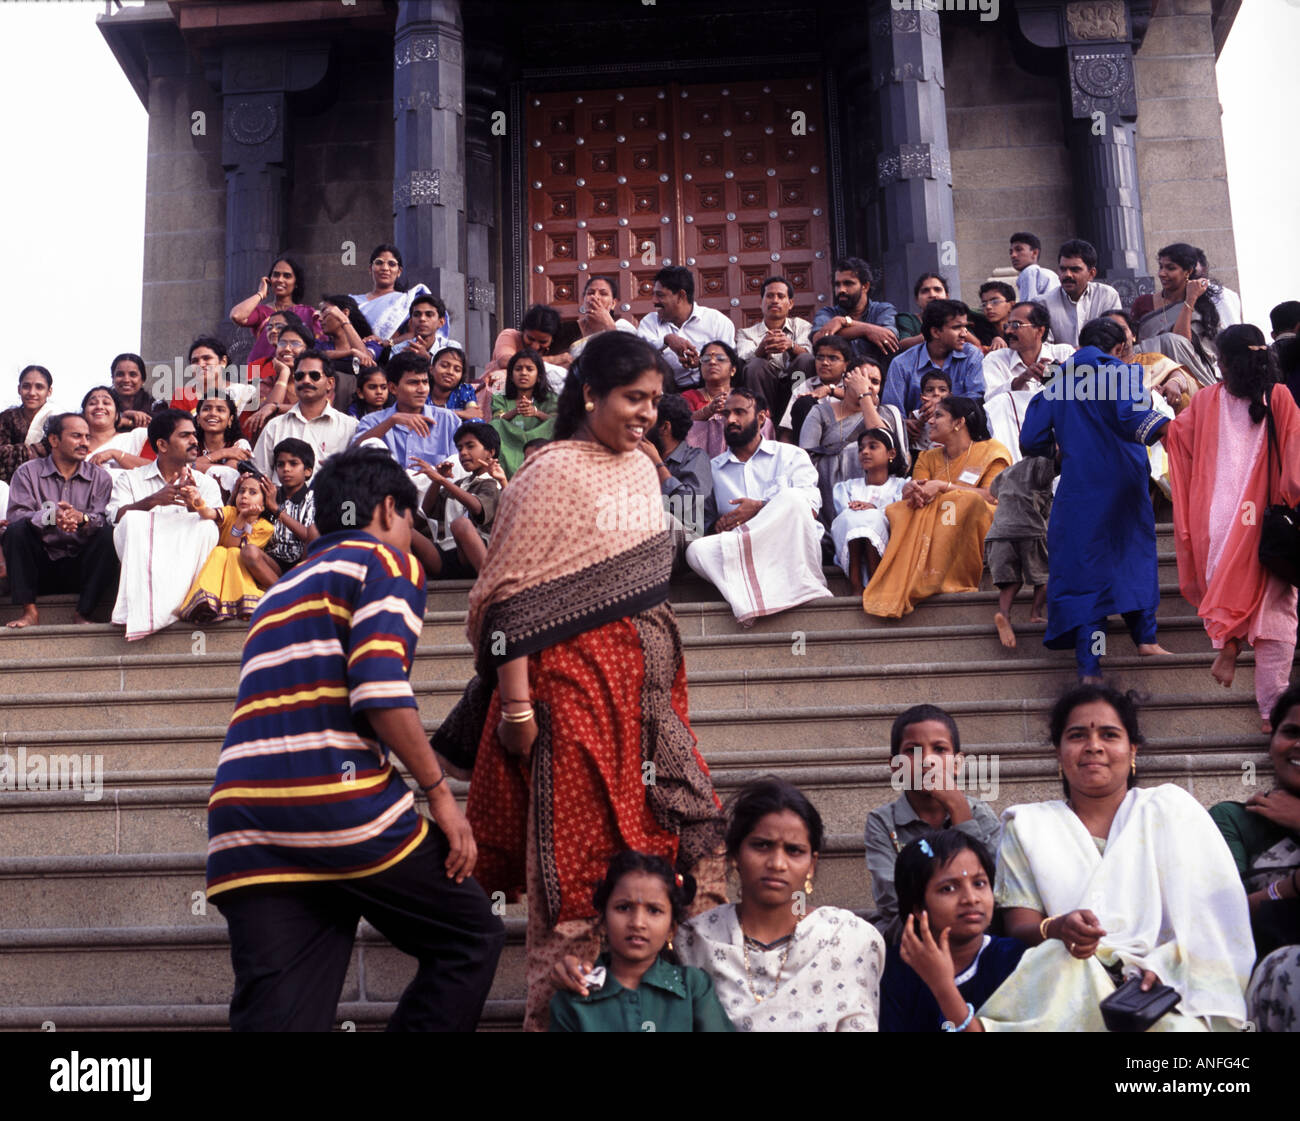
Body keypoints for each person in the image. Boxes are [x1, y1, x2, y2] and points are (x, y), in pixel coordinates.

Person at [440, 331, 726, 1032]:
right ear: (591, 394)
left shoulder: (639, 470)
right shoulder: (547, 472)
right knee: (578, 855)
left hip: (648, 697)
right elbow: (512, 598)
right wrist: (515, 710)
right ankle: (562, 1010)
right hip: (568, 693)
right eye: (633, 398)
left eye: (655, 401)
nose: (646, 414)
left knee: (686, 831)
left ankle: (661, 1005)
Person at [206, 445, 504, 1030]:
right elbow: (377, 686)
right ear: (390, 509)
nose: (411, 538)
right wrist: (439, 793)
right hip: (340, 807)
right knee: (468, 938)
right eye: (411, 523)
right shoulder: (383, 562)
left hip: (244, 825)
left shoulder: (282, 592)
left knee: (280, 1017)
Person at [979, 685, 1253, 1031]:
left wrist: (1167, 965)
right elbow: (1019, 925)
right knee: (1056, 960)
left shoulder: (1171, 810)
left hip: (1162, 989)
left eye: (1109, 734)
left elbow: (1214, 920)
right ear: (1059, 753)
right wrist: (1058, 928)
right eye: (1077, 735)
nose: (1093, 746)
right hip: (1070, 978)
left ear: (1132, 749)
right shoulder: (1029, 825)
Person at [1019, 317, 1172, 680]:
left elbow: (1031, 440)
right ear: (1118, 348)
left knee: (1088, 583)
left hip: (1079, 490)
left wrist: (1062, 449)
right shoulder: (1121, 373)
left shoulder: (1057, 380)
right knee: (1132, 564)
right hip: (1123, 486)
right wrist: (1172, 429)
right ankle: (1145, 640)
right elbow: (1132, 418)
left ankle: (1092, 664)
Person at [1167, 324, 1300, 729]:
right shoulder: (1279, 397)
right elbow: (1295, 469)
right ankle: (1270, 711)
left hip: (1217, 522)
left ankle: (1229, 644)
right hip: (1264, 521)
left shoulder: (1206, 400)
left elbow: (1177, 436)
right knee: (1276, 611)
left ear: (1225, 361)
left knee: (1232, 591)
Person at [671, 779, 885, 1030]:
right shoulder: (695, 940)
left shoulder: (849, 939)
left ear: (811, 864)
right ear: (735, 855)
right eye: (762, 845)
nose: (777, 863)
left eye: (794, 851)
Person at [685, 388, 832, 625]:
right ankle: (749, 600)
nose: (731, 419)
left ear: (761, 418)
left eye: (740, 412)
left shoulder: (791, 455)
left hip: (789, 546)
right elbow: (708, 523)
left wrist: (761, 508)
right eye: (726, 414)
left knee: (794, 497)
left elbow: (809, 508)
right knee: (696, 551)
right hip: (745, 550)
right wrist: (719, 526)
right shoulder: (712, 468)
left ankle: (768, 594)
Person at [548, 851, 734, 1033]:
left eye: (654, 910)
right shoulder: (575, 996)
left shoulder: (692, 987)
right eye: (623, 907)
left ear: (672, 928)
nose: (637, 923)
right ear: (603, 921)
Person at [865, 705, 1001, 943]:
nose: (927, 760)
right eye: (913, 751)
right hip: (911, 931)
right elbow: (891, 898)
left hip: (974, 926)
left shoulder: (978, 814)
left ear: (957, 765)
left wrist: (959, 810)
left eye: (939, 749)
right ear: (896, 765)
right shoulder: (882, 822)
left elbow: (995, 885)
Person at [864, 398, 1010, 619]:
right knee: (899, 509)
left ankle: (942, 579)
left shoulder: (992, 450)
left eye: (938, 416)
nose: (930, 421)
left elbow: (991, 496)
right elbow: (919, 493)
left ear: (958, 423)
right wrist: (911, 491)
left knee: (964, 502)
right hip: (937, 517)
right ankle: (915, 578)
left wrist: (943, 486)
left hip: (980, 517)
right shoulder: (927, 456)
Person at [1213, 687, 1300, 1031]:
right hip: (1269, 981)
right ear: (1272, 740)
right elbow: (1216, 916)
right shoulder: (1234, 820)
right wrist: (1288, 889)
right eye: (1291, 732)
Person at [881, 833, 1025, 1032]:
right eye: (948, 888)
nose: (971, 898)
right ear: (916, 906)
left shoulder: (1014, 959)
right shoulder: (892, 969)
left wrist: (944, 988)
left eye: (979, 883)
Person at [107, 409, 222, 640]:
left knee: (206, 526)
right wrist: (153, 500)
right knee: (131, 520)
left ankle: (190, 603)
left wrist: (195, 505)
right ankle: (147, 610)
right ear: (162, 444)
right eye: (185, 435)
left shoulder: (206, 484)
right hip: (145, 555)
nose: (194, 441)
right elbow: (115, 518)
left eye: (194, 435)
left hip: (185, 555)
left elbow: (219, 521)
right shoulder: (130, 478)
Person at [3, 413, 118, 629]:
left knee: (109, 533)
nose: (84, 442)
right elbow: (16, 516)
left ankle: (83, 612)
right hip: (39, 567)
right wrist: (50, 517)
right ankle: (29, 612)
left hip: (81, 567)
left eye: (87, 437)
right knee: (16, 530)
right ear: (54, 440)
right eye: (76, 436)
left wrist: (82, 519)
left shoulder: (101, 477)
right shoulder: (27, 472)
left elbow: (103, 517)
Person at [799, 354, 889, 529]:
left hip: (872, 491)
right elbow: (805, 459)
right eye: (862, 378)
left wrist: (864, 397)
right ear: (846, 380)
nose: (868, 385)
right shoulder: (820, 412)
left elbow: (882, 442)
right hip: (828, 488)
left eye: (875, 382)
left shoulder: (885, 414)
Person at [981, 301, 1075, 463]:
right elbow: (992, 403)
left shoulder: (1063, 352)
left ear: (1039, 330)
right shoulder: (996, 359)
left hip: (1060, 432)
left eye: (1016, 325)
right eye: (1007, 326)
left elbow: (1079, 395)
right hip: (1015, 436)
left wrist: (1057, 378)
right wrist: (1022, 378)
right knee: (1002, 402)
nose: (1009, 331)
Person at [178, 473, 276, 621]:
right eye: (242, 491)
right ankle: (206, 602)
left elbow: (233, 546)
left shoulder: (265, 527)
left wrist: (242, 518)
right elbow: (208, 513)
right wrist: (198, 500)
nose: (244, 496)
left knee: (232, 553)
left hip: (247, 573)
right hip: (221, 570)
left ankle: (243, 601)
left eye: (252, 492)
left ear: (263, 504)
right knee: (219, 552)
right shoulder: (230, 512)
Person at [413, 421, 502, 578]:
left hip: (478, 554)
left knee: (461, 524)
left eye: (470, 446)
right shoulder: (461, 484)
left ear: (490, 452)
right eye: (460, 448)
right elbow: (426, 512)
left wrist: (442, 481)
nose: (463, 452)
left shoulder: (493, 482)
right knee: (403, 526)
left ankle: (491, 584)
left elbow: (478, 508)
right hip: (448, 553)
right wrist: (436, 480)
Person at [253, 350, 357, 476]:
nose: (306, 380)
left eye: (314, 375)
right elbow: (259, 476)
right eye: (299, 376)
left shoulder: (350, 427)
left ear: (330, 383)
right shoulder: (275, 427)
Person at [986, 454, 1054, 649]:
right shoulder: (1043, 465)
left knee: (1012, 580)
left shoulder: (1006, 471)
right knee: (1044, 576)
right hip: (1029, 529)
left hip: (998, 532)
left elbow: (993, 491)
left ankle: (1004, 614)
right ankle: (1035, 614)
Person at [829, 427, 907, 595]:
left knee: (871, 517)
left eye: (872, 447)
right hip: (852, 540)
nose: (864, 452)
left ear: (891, 454)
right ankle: (855, 581)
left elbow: (901, 515)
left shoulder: (900, 486)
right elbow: (844, 516)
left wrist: (876, 510)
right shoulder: (848, 487)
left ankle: (876, 575)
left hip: (887, 540)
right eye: (861, 448)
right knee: (851, 516)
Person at [1132, 242, 1222, 385]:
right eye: (1161, 267)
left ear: (1188, 271)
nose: (1162, 273)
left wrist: (1190, 299)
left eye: (1170, 268)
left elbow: (1179, 344)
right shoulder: (1144, 303)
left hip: (1190, 379)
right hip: (1151, 375)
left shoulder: (1202, 308)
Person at [881, 299, 985, 421]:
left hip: (960, 432)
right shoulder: (901, 364)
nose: (964, 334)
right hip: (916, 437)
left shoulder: (971, 356)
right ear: (935, 332)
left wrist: (942, 407)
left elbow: (977, 400)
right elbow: (891, 412)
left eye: (965, 327)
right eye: (957, 327)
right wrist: (904, 425)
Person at [636, 265, 736, 390]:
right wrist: (667, 340)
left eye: (660, 295)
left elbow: (728, 362)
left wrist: (701, 362)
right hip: (668, 393)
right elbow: (640, 355)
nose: (654, 300)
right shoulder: (650, 322)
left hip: (710, 390)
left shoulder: (717, 321)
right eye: (654, 295)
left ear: (681, 296)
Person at [353, 350, 458, 467]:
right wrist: (392, 421)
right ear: (393, 388)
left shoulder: (448, 421)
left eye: (425, 382)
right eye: (413, 383)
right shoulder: (372, 421)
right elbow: (353, 455)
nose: (422, 389)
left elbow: (459, 469)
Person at [640, 393, 712, 559]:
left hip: (687, 541)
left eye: (646, 422)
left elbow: (685, 505)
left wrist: (658, 463)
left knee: (663, 519)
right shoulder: (640, 457)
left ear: (665, 427)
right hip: (645, 534)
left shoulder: (696, 457)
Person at [733, 275, 815, 423]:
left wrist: (790, 346)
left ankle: (798, 418)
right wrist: (763, 348)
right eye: (769, 296)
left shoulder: (802, 326)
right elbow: (744, 361)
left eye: (780, 296)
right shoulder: (745, 333)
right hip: (763, 387)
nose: (775, 300)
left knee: (805, 359)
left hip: (795, 383)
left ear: (790, 303)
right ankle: (763, 423)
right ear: (761, 302)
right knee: (755, 365)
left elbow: (809, 355)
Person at [228, 254, 323, 364]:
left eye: (287, 276)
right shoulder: (262, 312)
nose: (279, 280)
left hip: (297, 373)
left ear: (296, 283)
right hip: (263, 373)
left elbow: (320, 345)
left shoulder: (308, 313)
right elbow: (236, 316)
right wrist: (261, 294)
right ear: (269, 279)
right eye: (276, 275)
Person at [685, 340, 775, 455]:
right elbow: (681, 424)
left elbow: (764, 416)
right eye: (706, 359)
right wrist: (707, 411)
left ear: (733, 370)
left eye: (720, 359)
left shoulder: (746, 397)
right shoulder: (689, 397)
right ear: (701, 369)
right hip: (703, 456)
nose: (712, 362)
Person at [810, 257, 900, 369]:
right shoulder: (828, 313)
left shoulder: (882, 309)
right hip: (838, 379)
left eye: (848, 283)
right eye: (837, 284)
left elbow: (888, 336)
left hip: (876, 378)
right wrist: (867, 330)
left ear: (865, 286)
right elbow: (818, 339)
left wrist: (843, 322)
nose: (841, 290)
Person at [248, 438, 318, 577]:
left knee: (315, 532)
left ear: (308, 471)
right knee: (249, 551)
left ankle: (288, 589)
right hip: (272, 563)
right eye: (280, 464)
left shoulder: (314, 498)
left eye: (293, 464)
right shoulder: (270, 493)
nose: (286, 469)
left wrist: (276, 510)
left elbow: (310, 536)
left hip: (302, 563)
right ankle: (279, 591)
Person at [1042, 238, 1121, 348]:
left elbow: (1112, 339)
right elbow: (1044, 348)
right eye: (1063, 269)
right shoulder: (1043, 303)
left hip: (1101, 363)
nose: (1067, 275)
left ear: (1091, 274)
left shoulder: (1107, 296)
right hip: (1061, 364)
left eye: (1075, 270)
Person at [489, 348, 556, 477]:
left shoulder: (551, 398)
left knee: (556, 424)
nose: (523, 373)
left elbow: (558, 421)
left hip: (540, 443)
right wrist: (516, 411)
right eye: (518, 369)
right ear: (511, 376)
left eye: (529, 369)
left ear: (539, 377)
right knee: (495, 425)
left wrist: (536, 413)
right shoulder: (500, 397)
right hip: (510, 444)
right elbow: (497, 419)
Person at [349, 243, 432, 344]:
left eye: (391, 264)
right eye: (379, 263)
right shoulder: (353, 301)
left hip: (394, 355)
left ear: (399, 271)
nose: (385, 268)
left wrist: (387, 343)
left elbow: (414, 334)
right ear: (370, 269)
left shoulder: (406, 301)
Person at [192, 388, 252, 494]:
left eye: (220, 410)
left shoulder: (239, 444)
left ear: (230, 419)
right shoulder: (190, 442)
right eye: (206, 409)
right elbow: (175, 468)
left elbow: (227, 474)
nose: (213, 414)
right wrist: (223, 453)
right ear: (198, 419)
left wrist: (192, 466)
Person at [0, 365, 54, 484]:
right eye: (26, 386)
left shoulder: (57, 419)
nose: (32, 393)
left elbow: (60, 453)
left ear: (49, 391)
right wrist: (35, 450)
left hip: (47, 485)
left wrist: (13, 452)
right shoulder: (7, 418)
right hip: (8, 485)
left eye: (39, 387)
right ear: (19, 389)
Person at [566, 275, 638, 363]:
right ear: (583, 300)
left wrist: (608, 325)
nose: (595, 297)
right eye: (590, 293)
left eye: (603, 294)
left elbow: (631, 359)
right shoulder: (567, 330)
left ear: (613, 303)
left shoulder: (624, 328)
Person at [82, 387, 149, 477]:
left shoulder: (137, 437)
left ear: (117, 415)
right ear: (84, 414)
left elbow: (158, 469)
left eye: (106, 403)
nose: (99, 407)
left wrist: (115, 454)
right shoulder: (74, 446)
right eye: (92, 403)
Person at [893, 273, 948, 349]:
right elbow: (903, 344)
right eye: (925, 291)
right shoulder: (908, 319)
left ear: (947, 296)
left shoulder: (962, 317)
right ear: (917, 300)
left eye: (937, 289)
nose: (932, 295)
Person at [427, 341, 480, 420]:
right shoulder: (422, 388)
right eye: (444, 366)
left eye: (457, 370)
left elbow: (475, 414)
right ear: (431, 369)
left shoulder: (464, 390)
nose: (450, 372)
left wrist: (445, 414)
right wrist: (455, 414)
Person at [389, 292, 449, 358]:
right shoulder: (398, 350)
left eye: (429, 315)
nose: (422, 319)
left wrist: (427, 358)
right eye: (416, 315)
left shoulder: (450, 348)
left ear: (441, 322)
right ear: (411, 322)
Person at [1009, 231, 1060, 303]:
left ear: (1034, 253)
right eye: (1010, 252)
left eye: (1019, 250)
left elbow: (1028, 307)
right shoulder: (1050, 274)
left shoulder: (1029, 271)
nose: (1013, 255)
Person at [109, 352, 155, 429]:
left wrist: (128, 420)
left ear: (143, 380)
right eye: (120, 374)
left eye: (133, 374)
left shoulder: (156, 406)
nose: (126, 380)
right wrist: (123, 416)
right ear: (113, 379)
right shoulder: (103, 405)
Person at [975, 280, 1016, 350]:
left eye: (995, 301)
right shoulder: (980, 331)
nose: (988, 307)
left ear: (1011, 305)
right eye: (984, 304)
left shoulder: (1020, 330)